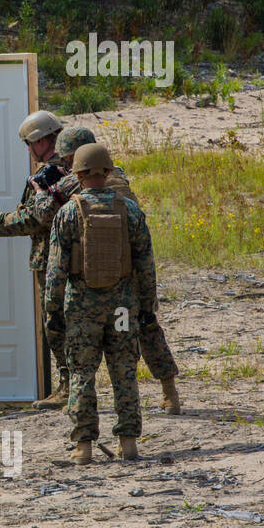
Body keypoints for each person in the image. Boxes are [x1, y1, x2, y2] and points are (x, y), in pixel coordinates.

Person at [33, 127, 182, 415]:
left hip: (96, 281)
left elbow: (43, 214)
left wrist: (40, 194)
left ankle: (73, 399)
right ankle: (169, 392)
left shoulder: (75, 184)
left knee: (84, 356)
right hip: (130, 270)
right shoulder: (120, 174)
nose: (64, 165)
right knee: (147, 329)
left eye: (67, 160)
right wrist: (149, 295)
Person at [45, 143, 158, 464]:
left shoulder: (67, 213)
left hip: (82, 308)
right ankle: (129, 442)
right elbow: (146, 266)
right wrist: (147, 306)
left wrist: (52, 311)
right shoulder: (131, 211)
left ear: (76, 174)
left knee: (82, 373)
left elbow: (56, 271)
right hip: (122, 308)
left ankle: (83, 447)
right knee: (124, 372)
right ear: (108, 172)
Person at [0, 109, 69, 408]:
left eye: (29, 144)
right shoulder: (78, 167)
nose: (29, 151)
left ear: (42, 141)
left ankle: (68, 387)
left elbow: (33, 218)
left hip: (52, 260)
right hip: (81, 258)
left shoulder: (47, 176)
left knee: (56, 323)